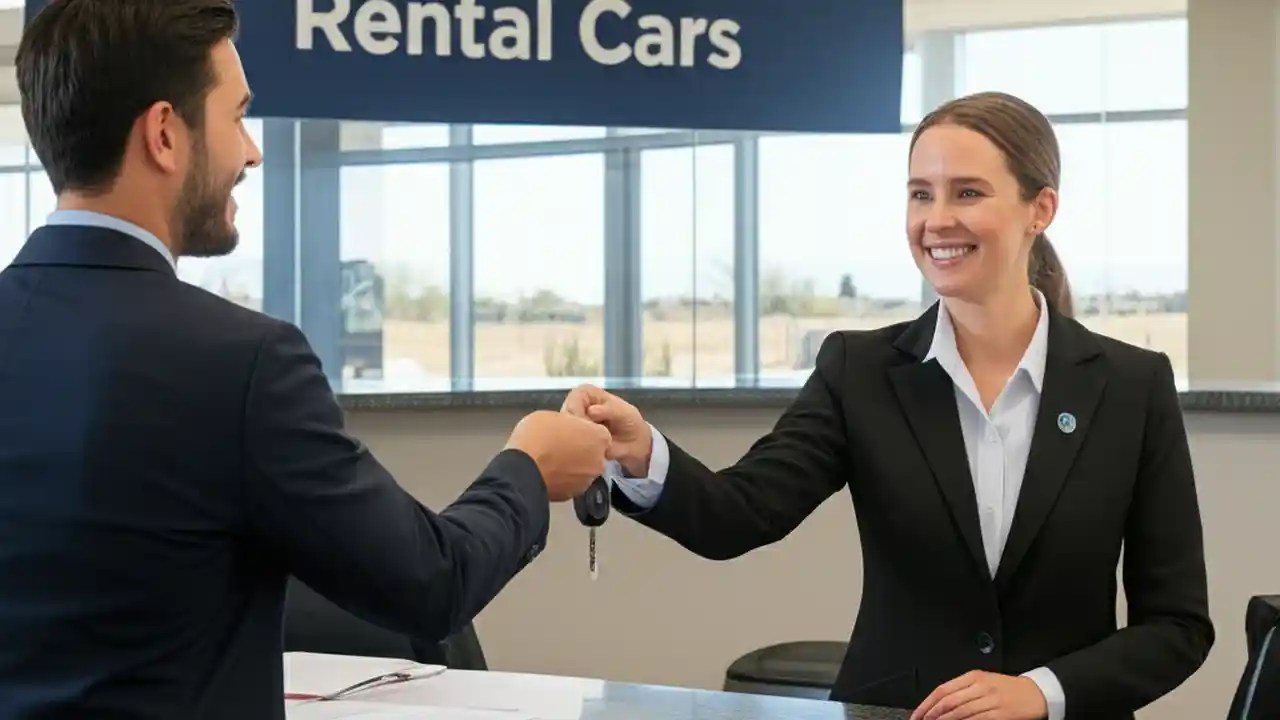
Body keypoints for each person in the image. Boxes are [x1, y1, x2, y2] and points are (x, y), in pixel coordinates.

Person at [0, 1, 612, 717]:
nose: (252, 152)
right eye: (236, 117)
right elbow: (428, 584)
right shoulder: (241, 364)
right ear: (165, 134)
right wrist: (530, 470)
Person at [563, 91, 1213, 720]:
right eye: (920, 193)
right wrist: (640, 450)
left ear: (1039, 209)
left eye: (968, 192)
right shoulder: (860, 371)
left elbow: (1177, 625)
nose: (936, 220)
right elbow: (739, 514)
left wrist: (1041, 693)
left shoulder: (1132, 385)